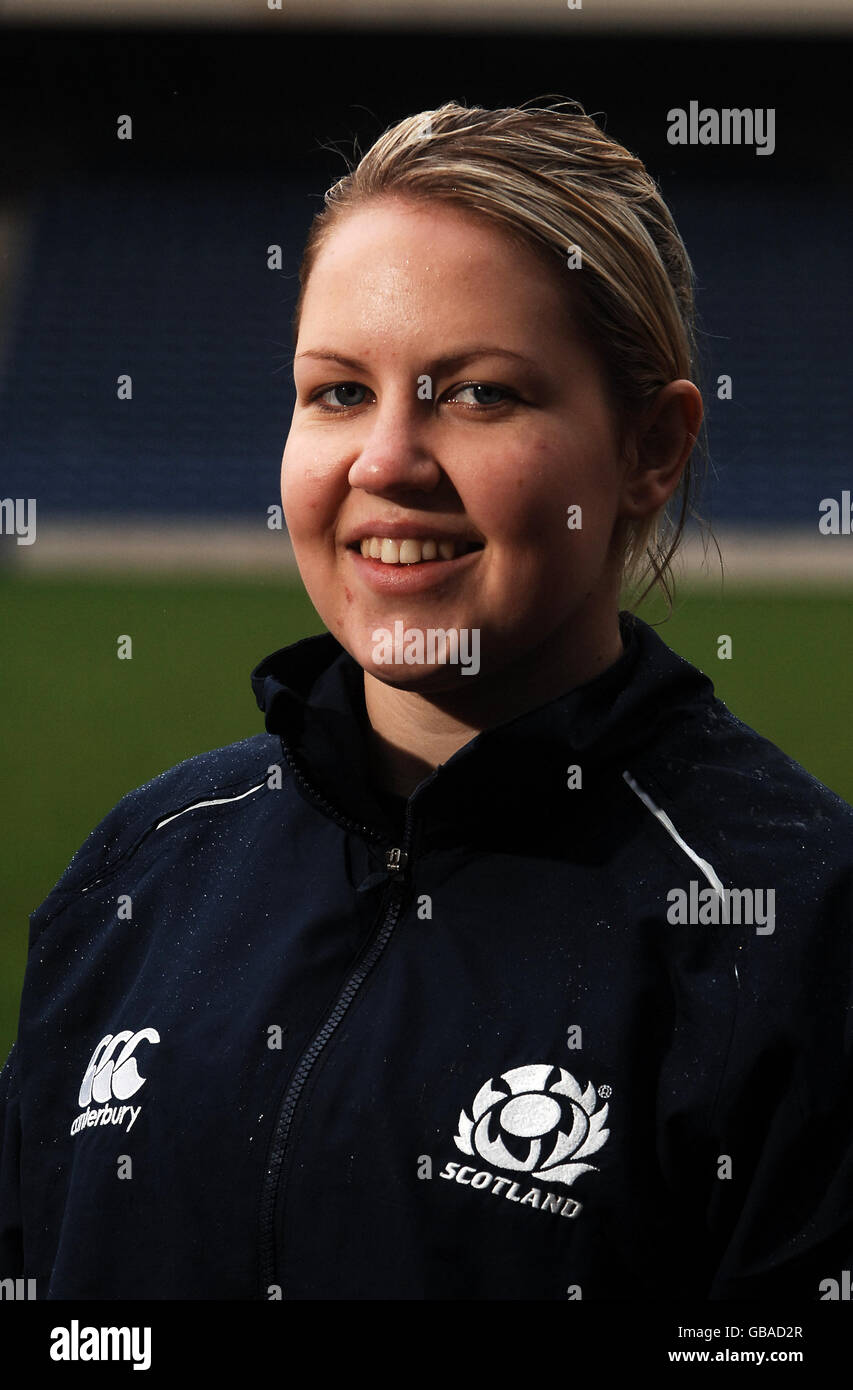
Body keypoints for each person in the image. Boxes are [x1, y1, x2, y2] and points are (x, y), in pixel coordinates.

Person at [1, 100, 851, 1301]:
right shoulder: (136, 876)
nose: (386, 462)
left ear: (651, 448)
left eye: (478, 395)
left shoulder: (798, 930)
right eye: (338, 393)